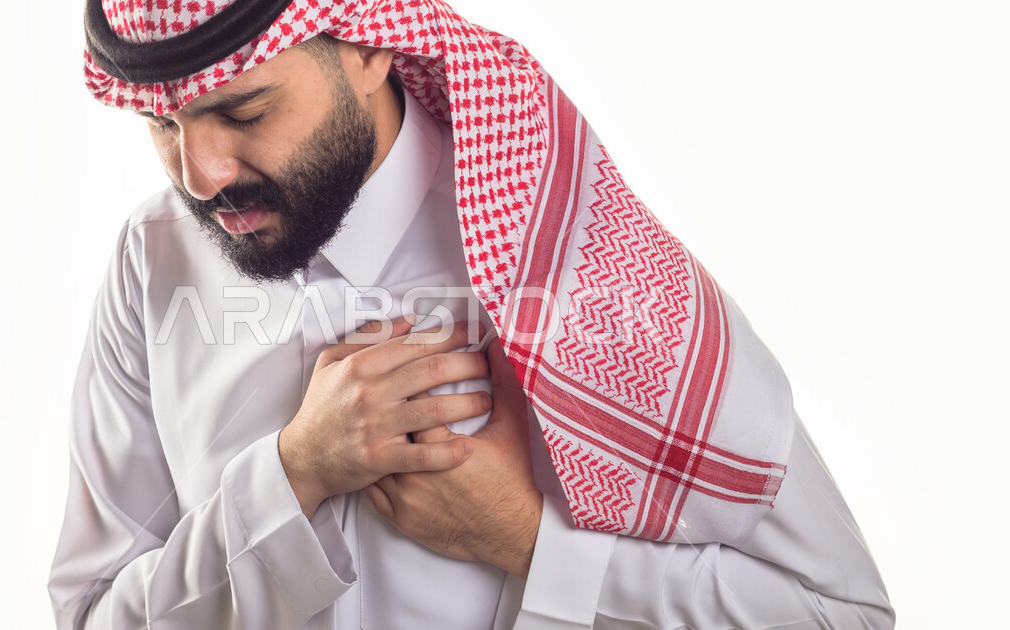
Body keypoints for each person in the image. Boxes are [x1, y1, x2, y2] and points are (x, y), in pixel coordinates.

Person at [49, 1, 894, 628]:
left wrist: (530, 546)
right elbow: (92, 615)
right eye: (161, 122)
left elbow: (842, 614)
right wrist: (293, 475)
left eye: (245, 111)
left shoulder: (571, 248)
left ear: (371, 43)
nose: (199, 174)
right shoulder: (154, 259)